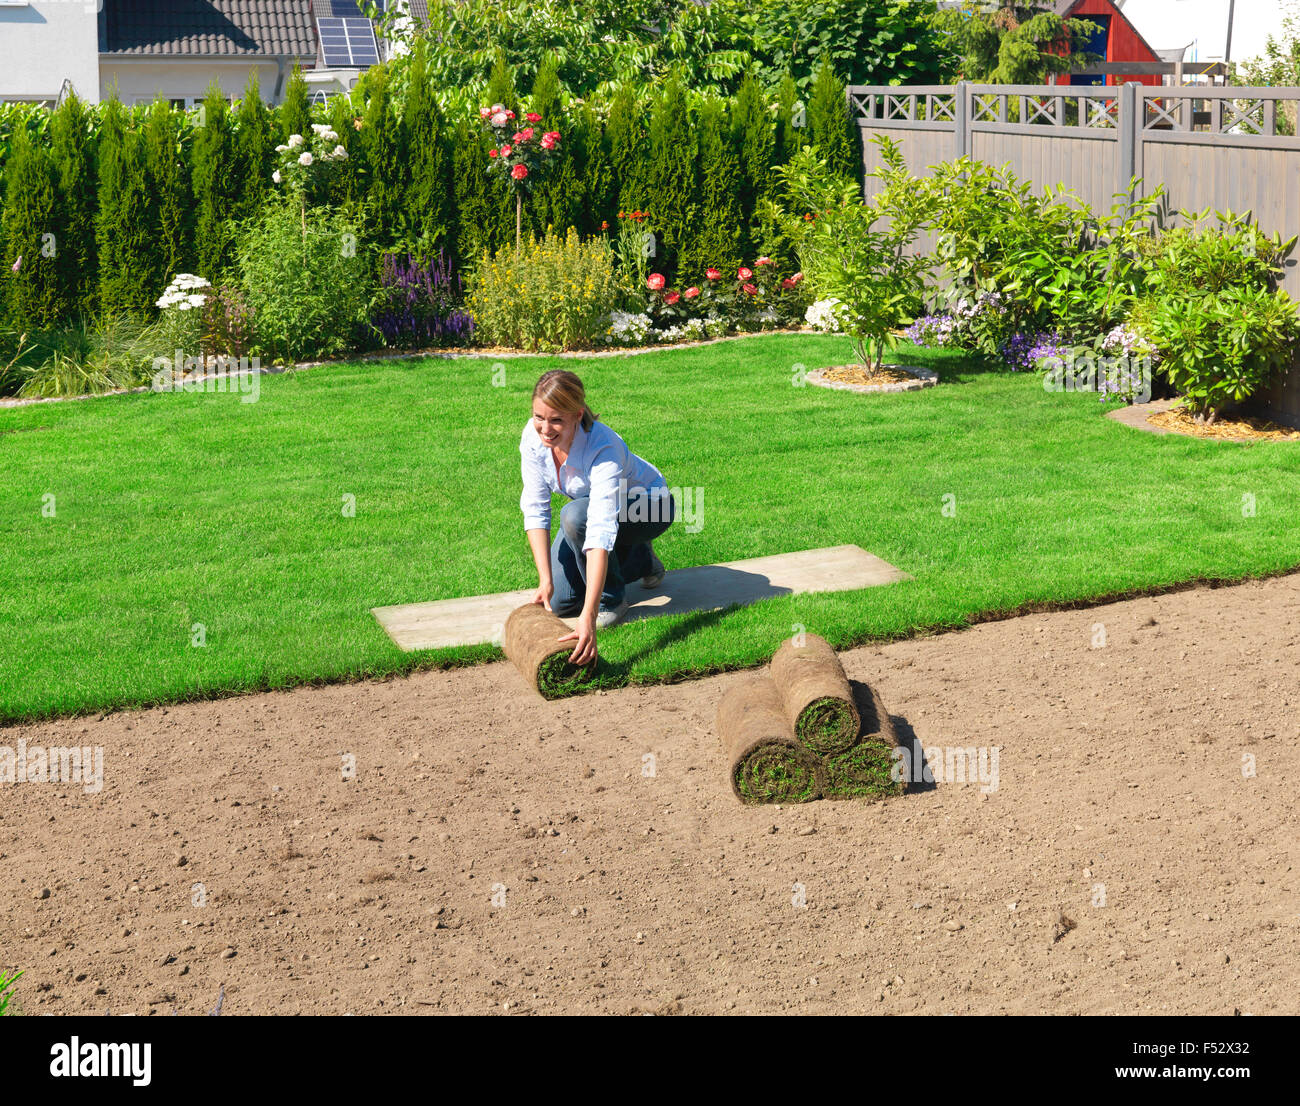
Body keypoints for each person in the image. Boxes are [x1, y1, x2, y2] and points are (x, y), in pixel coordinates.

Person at [520, 369, 676, 666]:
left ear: (577, 415)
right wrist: (545, 580)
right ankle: (641, 560)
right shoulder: (532, 436)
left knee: (575, 515)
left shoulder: (603, 446)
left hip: (652, 507)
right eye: (539, 416)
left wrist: (589, 617)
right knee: (560, 602)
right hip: (595, 511)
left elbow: (599, 530)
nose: (545, 428)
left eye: (556, 420)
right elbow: (536, 507)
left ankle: (613, 599)